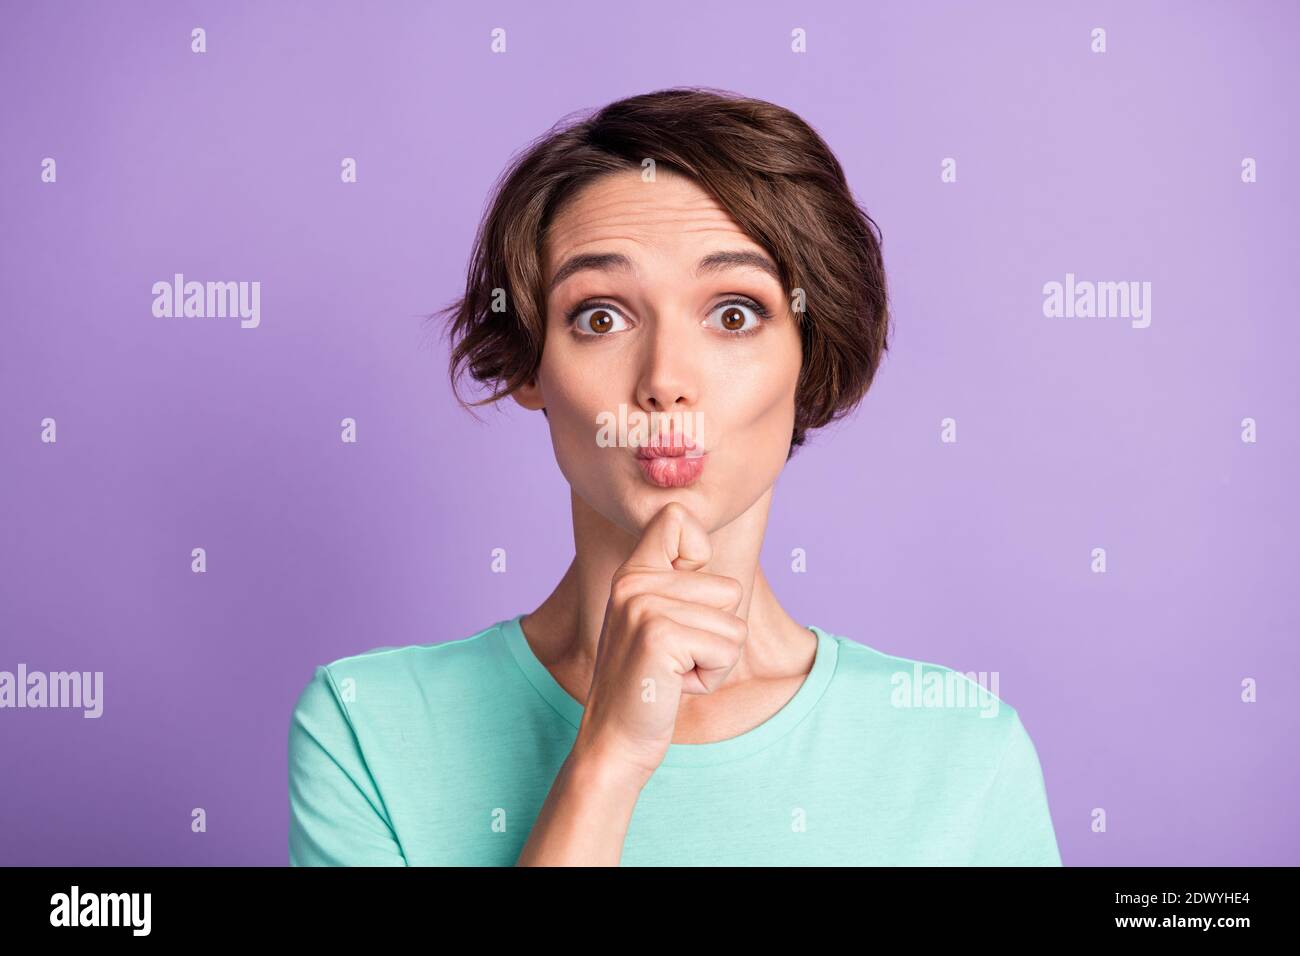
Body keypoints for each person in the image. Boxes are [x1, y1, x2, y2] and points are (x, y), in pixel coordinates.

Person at [287, 86, 1062, 866]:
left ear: (810, 354)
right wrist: (610, 756)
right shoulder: (369, 728)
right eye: (600, 316)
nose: (665, 381)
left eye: (733, 313)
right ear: (529, 366)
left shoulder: (961, 751)